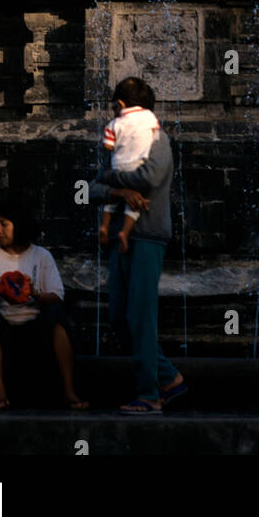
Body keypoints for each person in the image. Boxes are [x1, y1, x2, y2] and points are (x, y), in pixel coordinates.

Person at [90, 76, 186, 414]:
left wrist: (113, 181)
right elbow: (92, 189)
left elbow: (150, 178)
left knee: (140, 317)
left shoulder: (158, 140)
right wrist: (118, 191)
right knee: (120, 318)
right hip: (120, 238)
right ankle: (169, 378)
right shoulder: (122, 143)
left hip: (146, 235)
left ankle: (150, 394)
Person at [0, 196, 88, 411]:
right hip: (4, 326)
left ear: (19, 225)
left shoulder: (42, 256)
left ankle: (69, 391)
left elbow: (57, 295)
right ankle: (0, 393)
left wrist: (35, 293)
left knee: (57, 314)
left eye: (4, 224)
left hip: (35, 326)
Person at [99, 78, 161, 254]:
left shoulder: (115, 124)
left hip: (117, 165)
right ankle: (125, 232)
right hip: (137, 167)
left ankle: (104, 225)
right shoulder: (150, 119)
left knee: (110, 201)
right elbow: (155, 131)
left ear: (119, 104)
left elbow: (108, 146)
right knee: (133, 205)